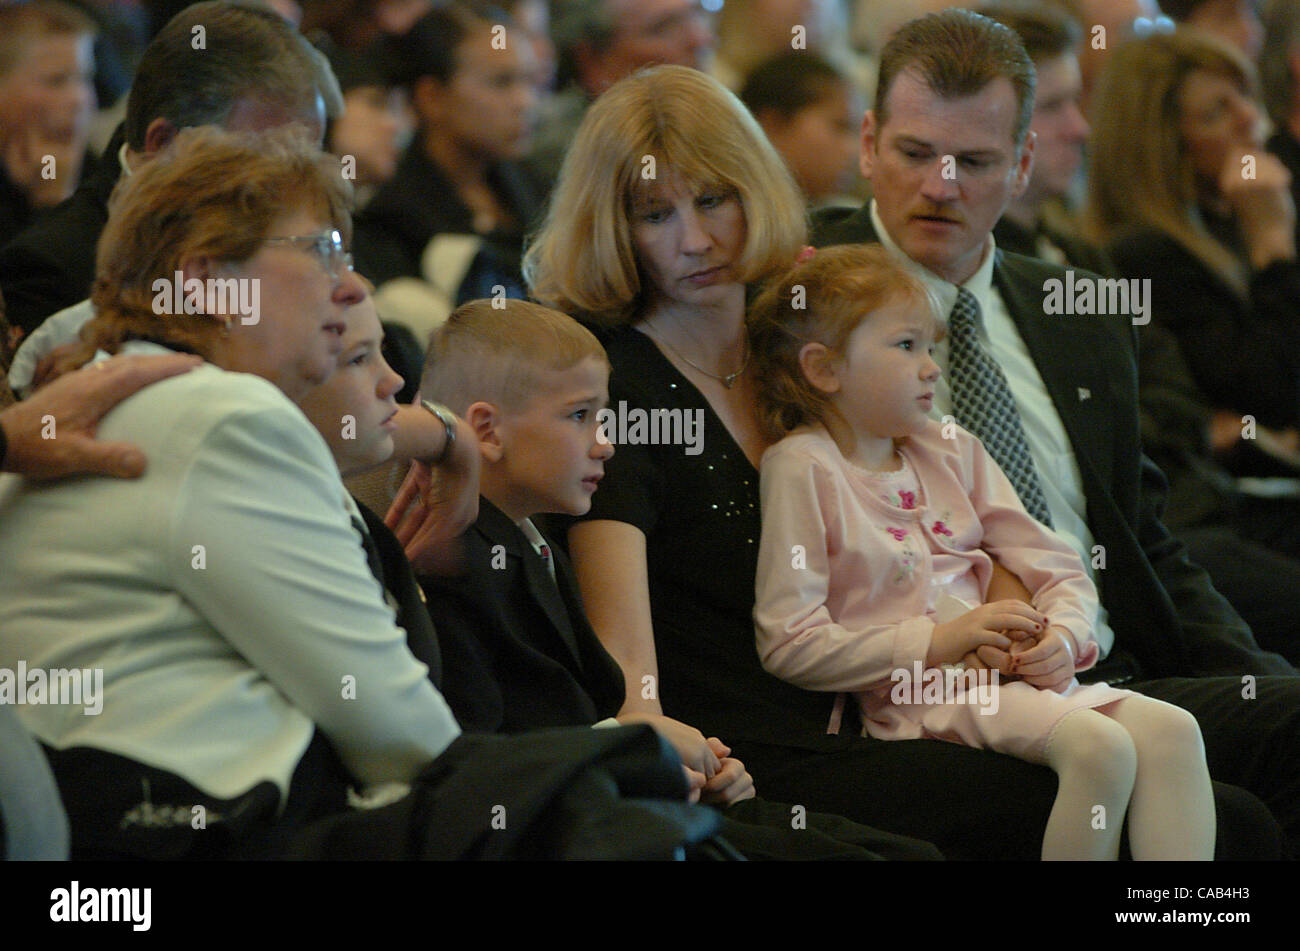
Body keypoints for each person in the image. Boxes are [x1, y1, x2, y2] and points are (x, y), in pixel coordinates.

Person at [524, 62, 1284, 859]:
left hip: (912, 697)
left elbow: (955, 512)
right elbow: (628, 678)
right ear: (613, 226)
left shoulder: (804, 333)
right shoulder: (617, 385)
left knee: (1228, 809)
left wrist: (1023, 627)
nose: (695, 239)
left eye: (714, 198)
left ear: (755, 187)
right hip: (766, 749)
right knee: (1209, 824)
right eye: (655, 214)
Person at [0, 124, 703, 860]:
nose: (350, 284)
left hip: (136, 820)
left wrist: (448, 438)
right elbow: (399, 733)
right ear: (209, 281)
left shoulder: (144, 389)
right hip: (196, 831)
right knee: (609, 805)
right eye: (319, 251)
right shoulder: (219, 416)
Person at [812, 9, 1299, 853]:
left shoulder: (1075, 309)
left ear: (1025, 163)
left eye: (978, 161)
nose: (942, 186)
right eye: (915, 153)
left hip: (1109, 663)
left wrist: (1258, 681)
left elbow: (1147, 539)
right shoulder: (804, 297)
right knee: (1240, 832)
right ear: (868, 145)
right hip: (938, 694)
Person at [408, 296, 942, 860]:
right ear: (487, 431)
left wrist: (694, 769)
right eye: (578, 416)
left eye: (603, 417)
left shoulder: (531, 544)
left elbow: (597, 714)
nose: (605, 443)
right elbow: (483, 762)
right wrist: (638, 747)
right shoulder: (454, 567)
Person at [750, 243, 1214, 859]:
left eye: (931, 346)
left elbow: (1053, 564)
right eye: (906, 346)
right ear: (824, 368)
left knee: (1174, 729)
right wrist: (942, 641)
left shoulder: (948, 445)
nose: (932, 368)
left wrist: (1066, 639)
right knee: (1100, 749)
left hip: (1002, 685)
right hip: (914, 701)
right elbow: (788, 643)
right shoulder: (803, 468)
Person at [0, 0, 332, 342]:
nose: (79, 99)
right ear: (163, 145)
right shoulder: (52, 269)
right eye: (262, 165)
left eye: (305, 163)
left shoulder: (304, 240)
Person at [1083, 29, 1300, 546]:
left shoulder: (1233, 216)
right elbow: (1273, 394)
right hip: (1230, 514)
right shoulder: (1143, 254)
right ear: (1163, 144)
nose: (1250, 118)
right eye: (1216, 113)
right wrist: (1273, 246)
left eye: (1245, 95)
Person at [0, 0, 98, 248]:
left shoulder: (90, 165)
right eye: (56, 80)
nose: (81, 99)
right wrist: (52, 201)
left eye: (85, 78)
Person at [739, 51, 864, 208]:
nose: (854, 150)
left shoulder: (843, 216)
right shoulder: (722, 216)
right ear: (771, 125)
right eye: (839, 126)